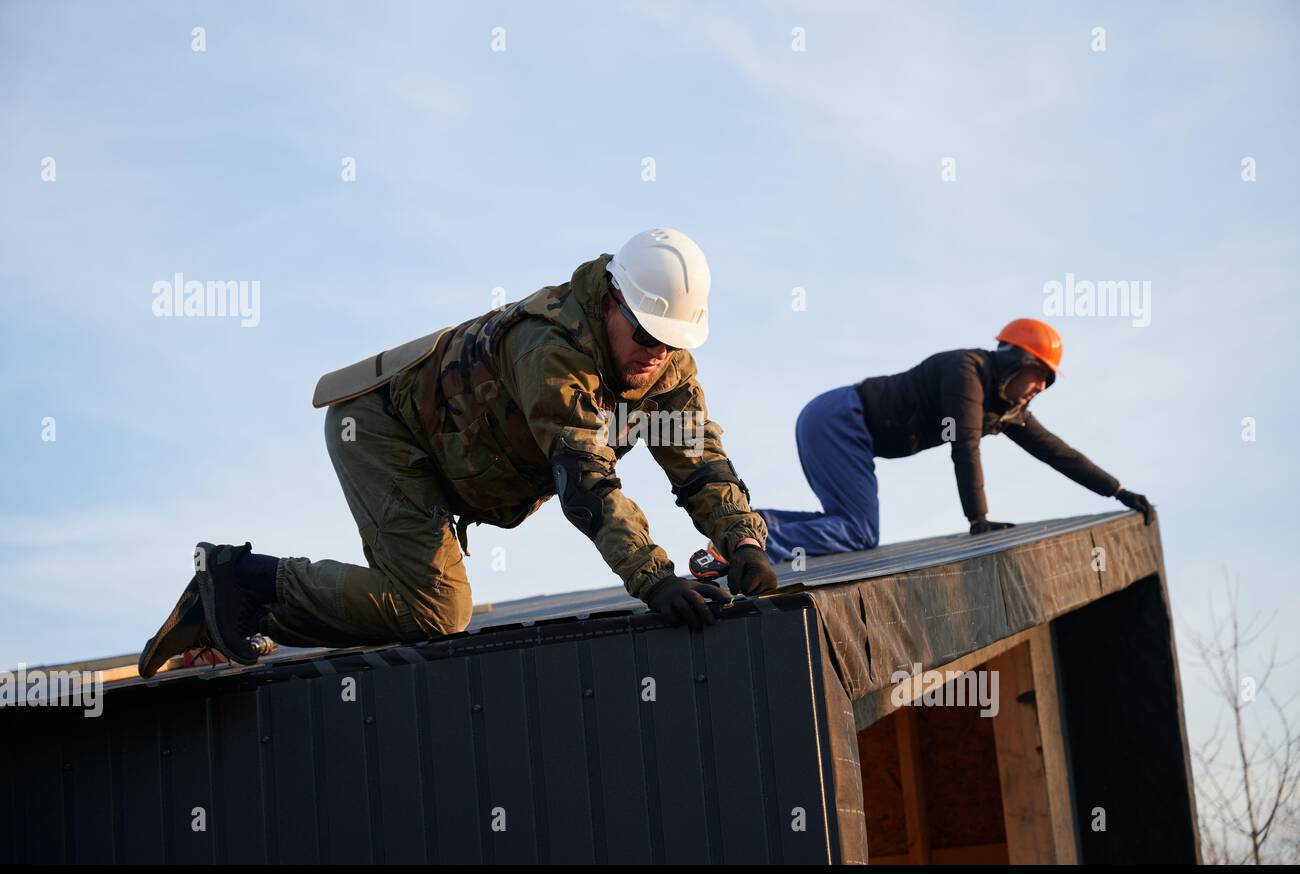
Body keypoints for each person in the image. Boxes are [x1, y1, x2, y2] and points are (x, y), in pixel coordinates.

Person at [140, 228, 776, 677]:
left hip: (452, 464)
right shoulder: (551, 349)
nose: (653, 355)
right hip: (384, 430)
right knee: (437, 609)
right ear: (611, 302)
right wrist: (655, 579)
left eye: (669, 342)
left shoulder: (662, 370)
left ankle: (229, 614)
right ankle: (237, 582)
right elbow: (586, 482)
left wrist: (745, 545)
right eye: (643, 335)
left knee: (425, 610)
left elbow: (700, 464)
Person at [756, 318, 1154, 562]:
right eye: (1040, 376)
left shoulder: (1005, 408)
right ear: (1020, 360)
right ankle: (749, 541)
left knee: (849, 527)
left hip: (840, 425)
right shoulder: (966, 371)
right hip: (839, 419)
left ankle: (751, 527)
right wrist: (978, 520)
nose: (1041, 388)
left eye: (1048, 383)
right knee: (859, 531)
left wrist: (1117, 492)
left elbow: (1058, 454)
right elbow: (964, 445)